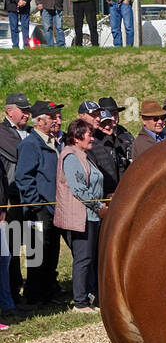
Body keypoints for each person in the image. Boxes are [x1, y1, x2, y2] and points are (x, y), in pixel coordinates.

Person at [54, 117, 106, 311]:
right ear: (76, 137)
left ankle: (90, 297)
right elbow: (78, 189)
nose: (92, 138)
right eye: (89, 134)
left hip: (91, 216)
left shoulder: (85, 156)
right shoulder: (71, 157)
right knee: (83, 259)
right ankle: (80, 302)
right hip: (81, 216)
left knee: (91, 258)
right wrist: (98, 206)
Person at [15, 100, 62, 305]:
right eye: (52, 117)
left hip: (54, 208)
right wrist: (36, 205)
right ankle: (34, 296)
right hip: (39, 209)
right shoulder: (30, 144)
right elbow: (23, 177)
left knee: (52, 253)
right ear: (40, 120)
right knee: (37, 255)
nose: (56, 120)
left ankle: (48, 292)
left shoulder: (52, 142)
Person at [0, 93, 33, 313]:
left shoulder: (29, 132)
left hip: (29, 198)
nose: (26, 114)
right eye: (22, 110)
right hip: (11, 200)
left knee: (33, 246)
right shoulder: (3, 133)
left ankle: (34, 288)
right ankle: (12, 290)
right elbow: (20, 157)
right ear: (9, 111)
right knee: (10, 249)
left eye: (28, 110)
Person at [88, 110, 123, 195]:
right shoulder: (94, 145)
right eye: (103, 124)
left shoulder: (116, 140)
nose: (107, 127)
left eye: (109, 122)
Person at [99, 98, 134, 173]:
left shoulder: (124, 132)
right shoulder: (97, 136)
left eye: (115, 113)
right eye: (110, 114)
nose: (113, 117)